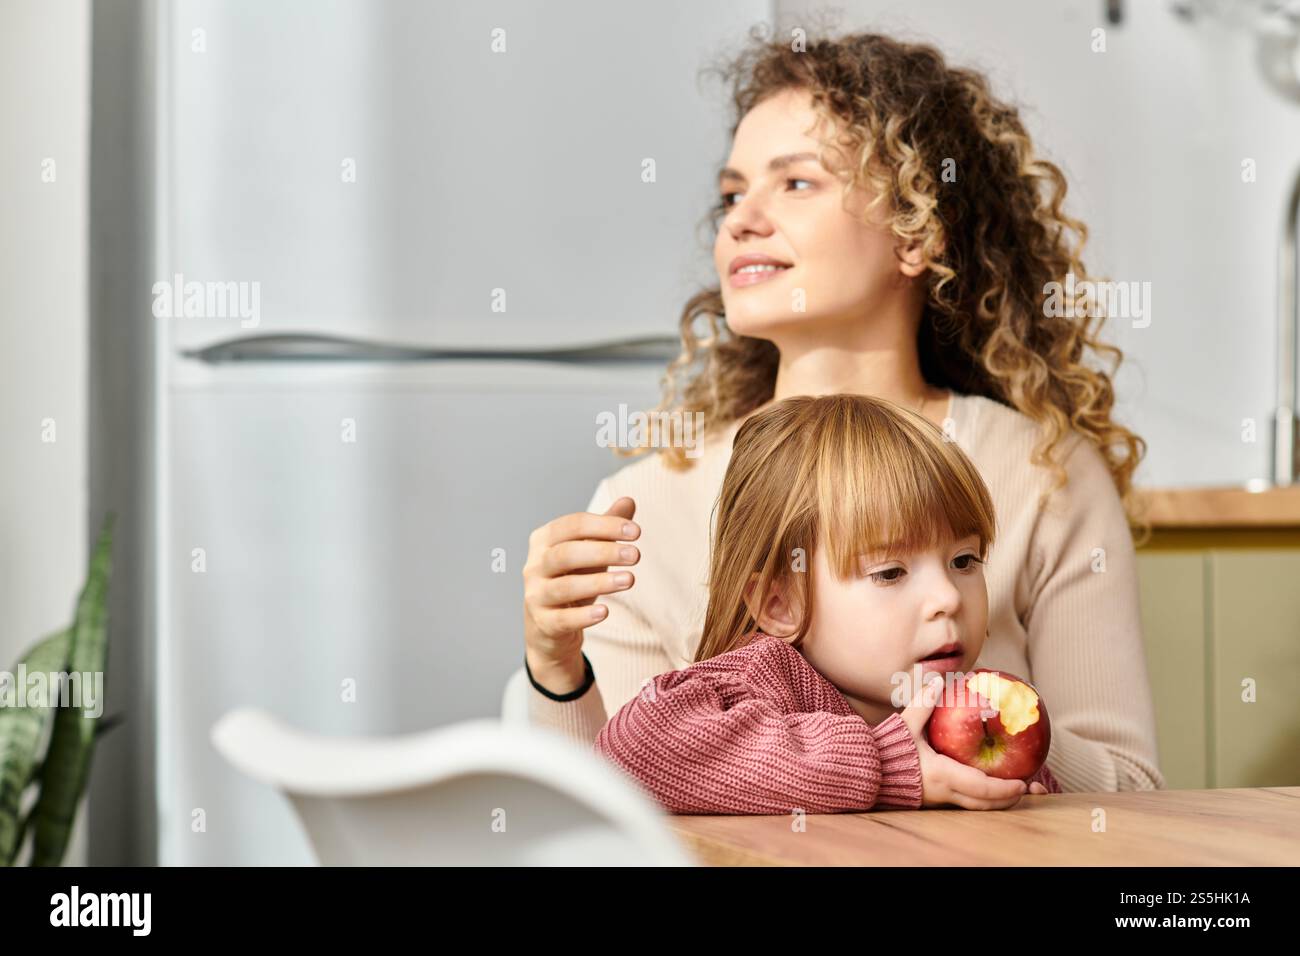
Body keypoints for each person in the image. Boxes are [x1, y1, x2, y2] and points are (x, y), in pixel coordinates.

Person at [521, 30, 1162, 794]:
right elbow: (608, 809)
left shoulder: (1044, 474)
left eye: (795, 184)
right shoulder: (644, 510)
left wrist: (988, 722)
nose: (740, 222)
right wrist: (556, 670)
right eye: (732, 195)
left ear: (916, 230)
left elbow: (1129, 794)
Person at [593, 394, 1062, 814]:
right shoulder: (764, 678)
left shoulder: (976, 708)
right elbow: (634, 748)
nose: (947, 598)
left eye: (964, 560)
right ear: (780, 606)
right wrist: (890, 768)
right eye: (890, 573)